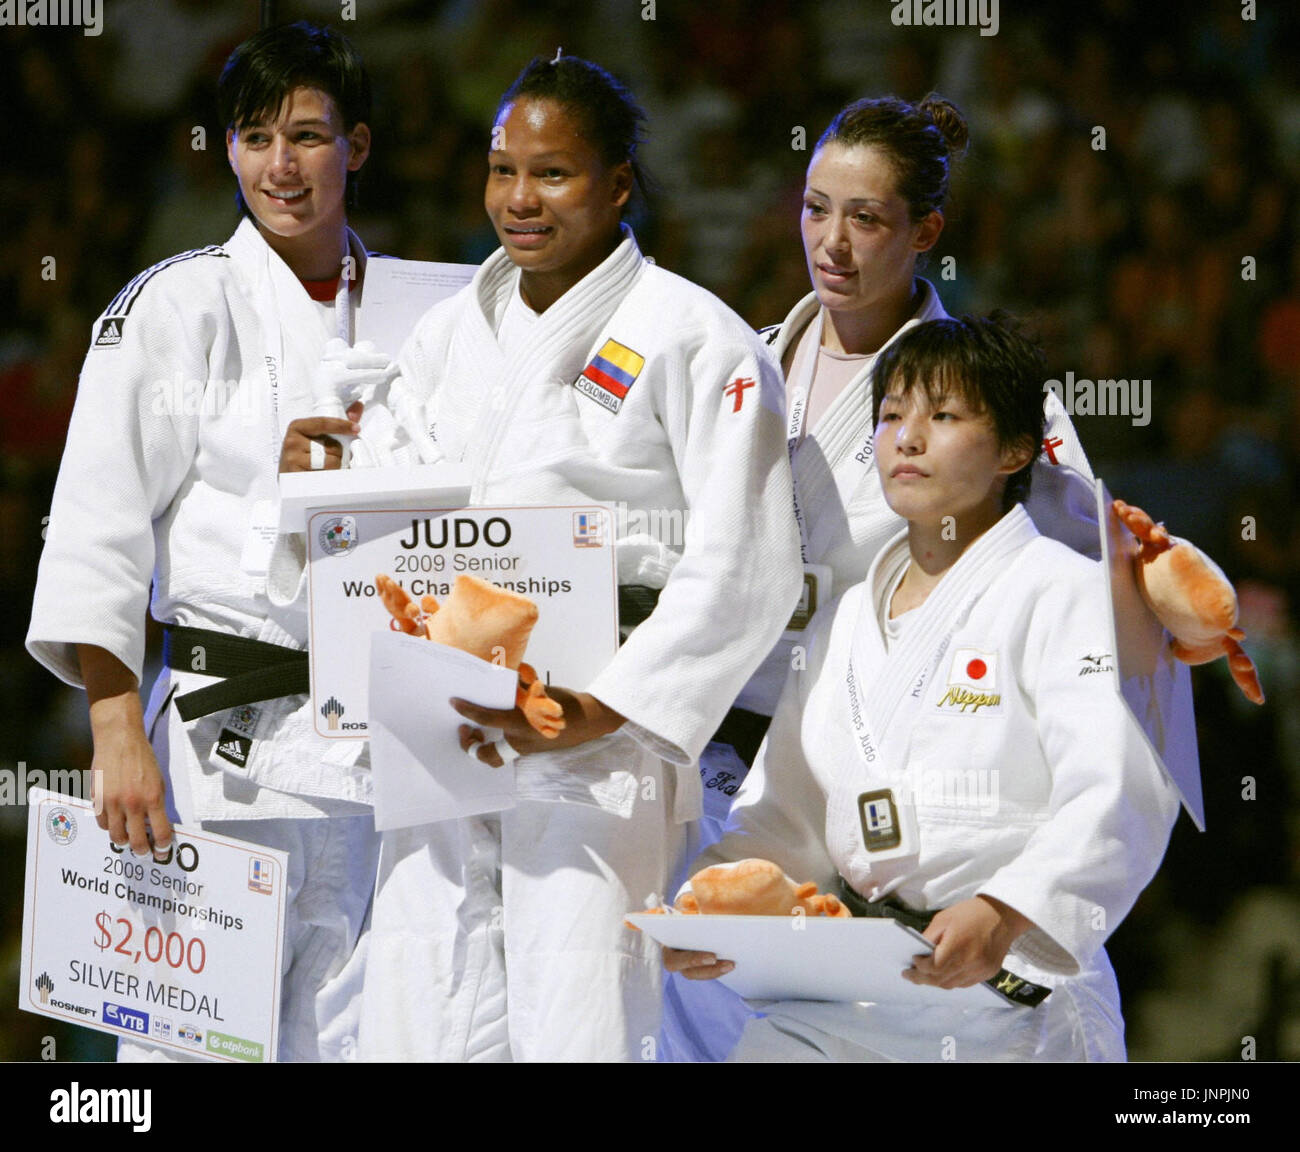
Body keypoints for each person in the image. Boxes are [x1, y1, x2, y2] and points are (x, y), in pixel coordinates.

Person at [288, 54, 803, 1062]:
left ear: (617, 184)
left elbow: (747, 564)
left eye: (553, 174)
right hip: (440, 716)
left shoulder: (695, 337)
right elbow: (383, 526)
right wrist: (321, 483)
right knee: (420, 995)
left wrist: (615, 706)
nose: (519, 200)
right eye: (501, 171)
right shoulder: (446, 335)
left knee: (580, 1012)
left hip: (595, 727)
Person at [668, 93, 1100, 1062]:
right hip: (739, 763)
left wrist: (1155, 593)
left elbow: (1094, 566)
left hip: (897, 756)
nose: (831, 242)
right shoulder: (747, 360)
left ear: (924, 231)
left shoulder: (977, 390)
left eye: (864, 218)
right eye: (815, 208)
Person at [666, 315, 1181, 1061]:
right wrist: (715, 906)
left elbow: (1120, 790)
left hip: (1010, 986)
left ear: (1013, 450)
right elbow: (788, 814)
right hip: (864, 980)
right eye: (890, 415)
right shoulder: (844, 620)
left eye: (943, 416)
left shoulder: (1064, 594)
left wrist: (1006, 911)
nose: (907, 438)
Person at [26, 21, 387, 1062]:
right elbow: (98, 525)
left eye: (309, 136)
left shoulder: (424, 311)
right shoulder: (175, 306)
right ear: (226, 150)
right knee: (191, 1052)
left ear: (356, 147)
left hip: (375, 753)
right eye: (255, 136)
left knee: (352, 1039)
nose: (282, 165)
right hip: (220, 743)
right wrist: (114, 728)